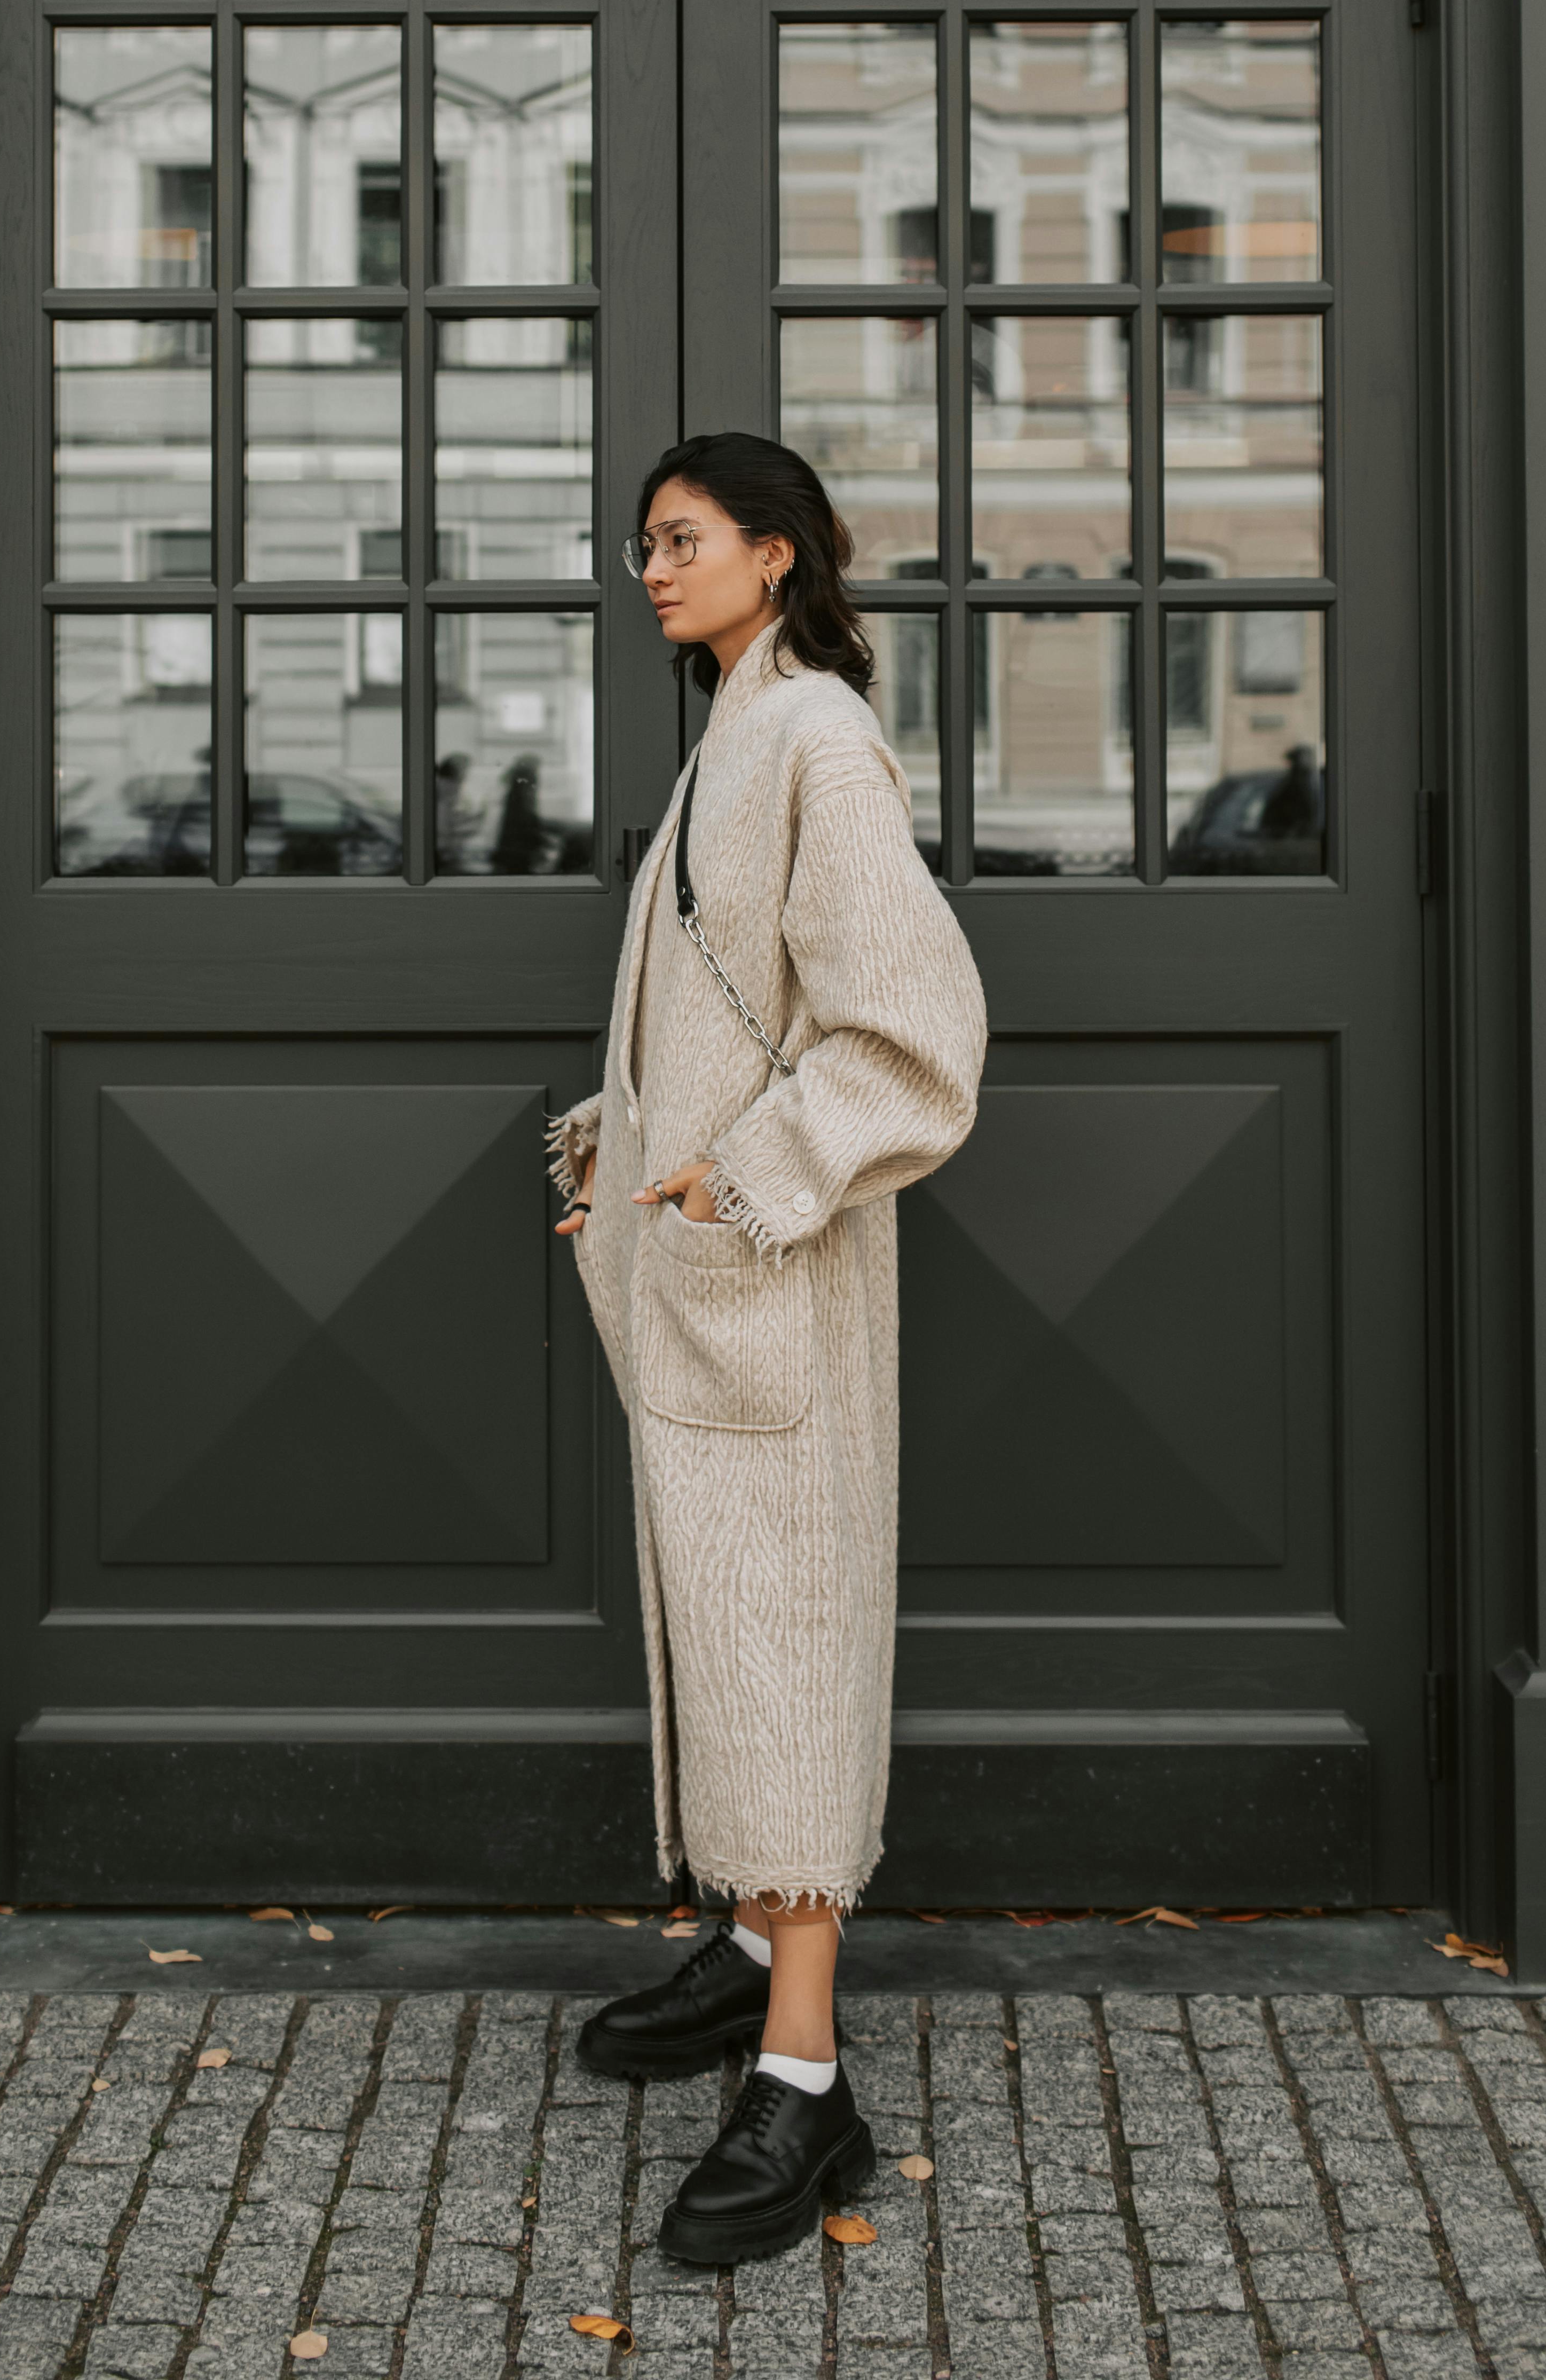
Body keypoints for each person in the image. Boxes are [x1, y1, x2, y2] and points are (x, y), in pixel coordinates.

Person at [549, 431, 987, 2266]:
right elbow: (712, 1014)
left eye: (684, 539)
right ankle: (744, 1957)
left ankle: (805, 2085)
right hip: (706, 1273)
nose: (652, 569)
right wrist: (621, 1155)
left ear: (779, 556)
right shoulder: (733, 735)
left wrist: (742, 1183)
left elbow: (910, 1028)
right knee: (730, 1628)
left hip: (774, 1283)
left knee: (786, 1644)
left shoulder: (809, 740)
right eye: (644, 543)